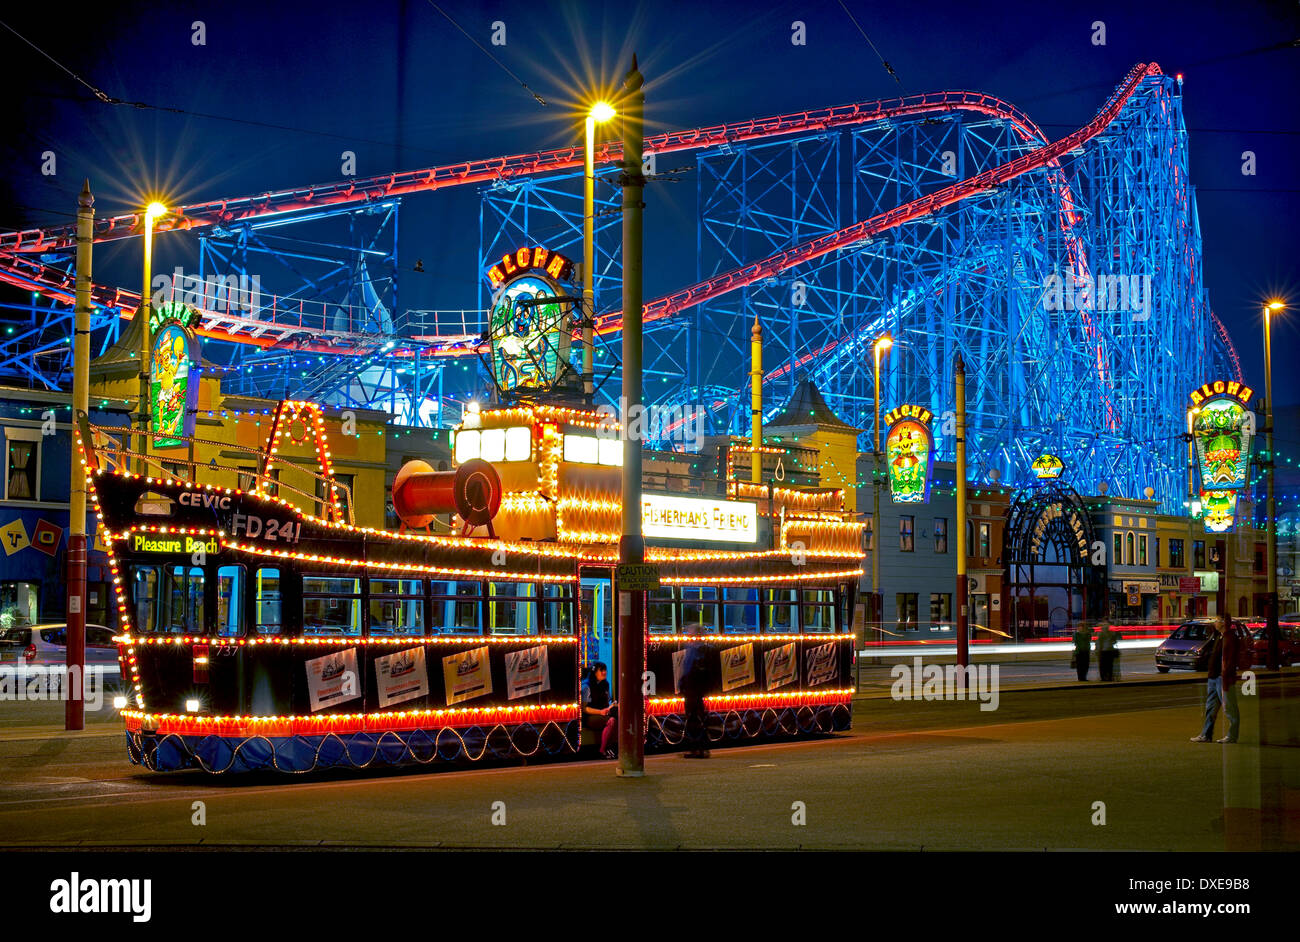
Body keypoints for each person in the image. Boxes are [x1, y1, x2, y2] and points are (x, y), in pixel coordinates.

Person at [1191, 615, 1240, 744]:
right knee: (1210, 708)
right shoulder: (1220, 636)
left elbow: (1229, 660)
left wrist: (1225, 676)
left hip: (1222, 678)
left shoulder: (1230, 638)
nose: (1214, 623)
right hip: (1214, 677)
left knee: (1229, 708)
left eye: (1217, 621)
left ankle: (1232, 736)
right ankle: (1206, 734)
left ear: (1223, 623)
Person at [678, 628, 711, 758]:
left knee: (693, 717)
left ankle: (697, 747)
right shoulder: (702, 649)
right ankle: (700, 747)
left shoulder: (696, 650)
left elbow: (688, 670)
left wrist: (683, 684)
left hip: (693, 688)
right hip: (696, 689)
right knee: (697, 717)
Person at [580, 662, 617, 758]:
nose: (604, 672)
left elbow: (607, 701)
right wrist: (600, 712)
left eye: (605, 670)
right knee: (611, 721)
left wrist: (613, 706)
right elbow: (584, 708)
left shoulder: (605, 684)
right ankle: (603, 750)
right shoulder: (586, 686)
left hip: (603, 714)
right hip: (590, 716)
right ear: (594, 672)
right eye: (601, 670)